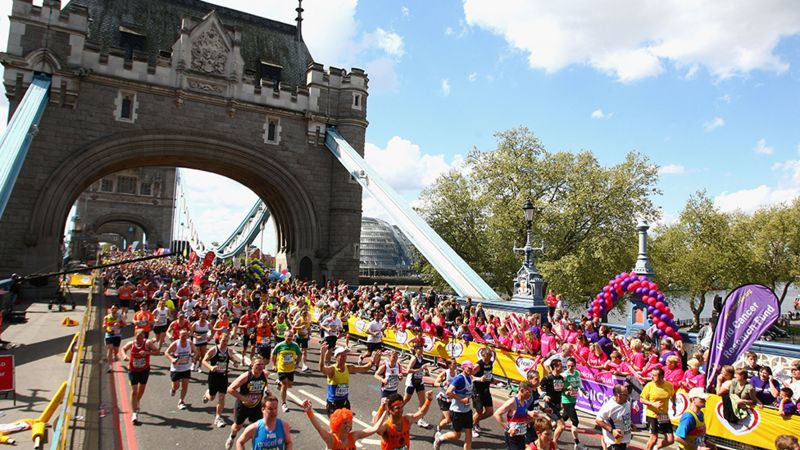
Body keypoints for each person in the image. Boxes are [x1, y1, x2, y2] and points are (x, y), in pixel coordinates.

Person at [319, 343, 381, 416]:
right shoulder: (332, 369)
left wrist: (373, 362)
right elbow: (322, 369)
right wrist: (322, 354)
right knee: (336, 426)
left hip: (344, 402)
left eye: (345, 355)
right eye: (342, 355)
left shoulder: (348, 367)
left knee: (347, 426)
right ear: (337, 357)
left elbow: (364, 369)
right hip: (333, 403)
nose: (344, 357)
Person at [301, 399, 384, 450]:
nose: (348, 425)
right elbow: (319, 428)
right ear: (337, 424)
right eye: (344, 423)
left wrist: (385, 410)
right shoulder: (332, 440)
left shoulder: (353, 436)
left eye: (349, 422)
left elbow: (375, 428)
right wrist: (309, 412)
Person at [226, 356, 270, 449]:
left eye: (262, 364)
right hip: (243, 406)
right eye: (258, 364)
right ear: (252, 365)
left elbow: (264, 384)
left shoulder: (265, 374)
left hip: (257, 405)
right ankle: (232, 437)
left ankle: (255, 446)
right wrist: (244, 399)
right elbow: (230, 389)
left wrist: (266, 391)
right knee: (237, 427)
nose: (261, 366)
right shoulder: (246, 376)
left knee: (257, 427)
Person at [120, 329, 161, 423]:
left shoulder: (148, 343)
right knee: (134, 391)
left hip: (144, 370)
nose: (139, 340)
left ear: (144, 337)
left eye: (141, 338)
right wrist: (124, 356)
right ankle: (134, 413)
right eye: (138, 338)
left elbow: (157, 352)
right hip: (133, 370)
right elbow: (123, 349)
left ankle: (137, 401)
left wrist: (147, 353)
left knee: (141, 390)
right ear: (135, 336)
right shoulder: (132, 343)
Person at [434, 360, 476, 450]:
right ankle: (440, 439)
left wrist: (472, 396)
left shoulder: (470, 378)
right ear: (463, 368)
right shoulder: (459, 378)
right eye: (469, 368)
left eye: (471, 368)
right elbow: (449, 391)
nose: (470, 370)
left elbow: (468, 392)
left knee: (469, 434)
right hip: (457, 411)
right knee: (457, 435)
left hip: (467, 411)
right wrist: (461, 400)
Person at [202, 331, 240, 428]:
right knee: (212, 397)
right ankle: (207, 394)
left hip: (223, 376)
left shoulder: (229, 350)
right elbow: (204, 360)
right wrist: (210, 367)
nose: (225, 342)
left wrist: (235, 362)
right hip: (214, 376)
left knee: (222, 397)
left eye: (227, 341)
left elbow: (231, 359)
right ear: (219, 340)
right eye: (223, 340)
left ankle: (218, 417)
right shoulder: (213, 350)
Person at [492, 380, 540, 450]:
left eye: (531, 392)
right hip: (512, 436)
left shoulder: (525, 401)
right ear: (522, 390)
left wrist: (533, 418)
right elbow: (497, 414)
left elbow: (521, 418)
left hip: (521, 435)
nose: (530, 394)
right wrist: (508, 428)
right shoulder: (513, 402)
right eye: (529, 392)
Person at [640, 367, 676, 450]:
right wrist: (652, 403)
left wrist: (674, 404)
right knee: (654, 438)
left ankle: (656, 448)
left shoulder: (668, 385)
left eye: (654, 375)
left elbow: (673, 394)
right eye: (652, 375)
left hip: (663, 414)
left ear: (661, 376)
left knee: (670, 440)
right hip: (652, 414)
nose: (652, 377)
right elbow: (641, 399)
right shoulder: (649, 385)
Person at [165, 329, 196, 410]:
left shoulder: (190, 343)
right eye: (183, 336)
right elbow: (166, 352)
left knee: (185, 385)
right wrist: (172, 359)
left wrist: (193, 357)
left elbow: (196, 352)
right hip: (176, 369)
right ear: (179, 336)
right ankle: (173, 389)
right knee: (176, 386)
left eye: (186, 335)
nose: (184, 337)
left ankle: (181, 401)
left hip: (186, 367)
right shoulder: (176, 344)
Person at [271, 330, 302, 412]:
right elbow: (273, 354)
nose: (289, 338)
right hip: (281, 369)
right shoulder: (280, 345)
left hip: (291, 369)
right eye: (288, 336)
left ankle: (279, 384)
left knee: (290, 385)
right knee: (285, 385)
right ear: (284, 337)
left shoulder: (295, 346)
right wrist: (274, 365)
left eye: (291, 336)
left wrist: (297, 363)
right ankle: (283, 404)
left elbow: (299, 355)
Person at [595, 385, 632, 450]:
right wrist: (612, 431)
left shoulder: (627, 403)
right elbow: (598, 420)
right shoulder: (609, 406)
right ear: (618, 395)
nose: (628, 396)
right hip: (614, 442)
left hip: (624, 440)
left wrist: (631, 424)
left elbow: (624, 417)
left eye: (628, 394)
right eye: (625, 395)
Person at [403, 345, 431, 428]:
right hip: (411, 382)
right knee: (406, 399)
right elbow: (408, 370)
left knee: (422, 402)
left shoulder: (421, 358)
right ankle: (394, 411)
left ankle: (420, 419)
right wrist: (420, 369)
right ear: (416, 350)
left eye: (422, 349)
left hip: (419, 381)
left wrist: (426, 371)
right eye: (420, 349)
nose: (422, 350)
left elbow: (423, 370)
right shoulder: (414, 358)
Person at [373, 349, 404, 423]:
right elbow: (376, 374)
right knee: (384, 407)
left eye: (396, 357)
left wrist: (400, 377)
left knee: (392, 407)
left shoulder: (398, 366)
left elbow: (400, 378)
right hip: (386, 390)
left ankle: (391, 423)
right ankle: (376, 419)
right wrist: (382, 380)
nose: (395, 359)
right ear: (389, 357)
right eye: (394, 357)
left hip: (394, 390)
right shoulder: (385, 366)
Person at [540, 359, 566, 444]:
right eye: (560, 365)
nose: (562, 367)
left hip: (558, 404)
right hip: (550, 405)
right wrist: (544, 396)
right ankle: (553, 443)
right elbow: (539, 388)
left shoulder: (561, 378)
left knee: (550, 426)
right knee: (561, 426)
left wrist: (566, 391)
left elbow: (561, 389)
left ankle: (540, 435)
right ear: (555, 367)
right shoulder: (547, 378)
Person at [561, 357, 584, 449]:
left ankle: (549, 427)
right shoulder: (564, 375)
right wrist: (564, 391)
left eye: (572, 366)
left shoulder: (577, 373)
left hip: (573, 398)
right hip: (566, 400)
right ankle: (577, 443)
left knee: (563, 418)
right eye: (568, 366)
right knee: (575, 421)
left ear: (575, 366)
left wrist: (583, 390)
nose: (570, 368)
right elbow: (558, 386)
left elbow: (579, 383)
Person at [471, 347, 495, 436]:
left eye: (491, 355)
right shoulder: (478, 365)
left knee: (490, 411)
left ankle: (474, 421)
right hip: (477, 390)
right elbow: (469, 376)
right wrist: (478, 378)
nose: (490, 357)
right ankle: (472, 427)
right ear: (483, 355)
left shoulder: (491, 363)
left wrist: (493, 380)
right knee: (479, 411)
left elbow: (488, 375)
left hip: (486, 389)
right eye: (489, 355)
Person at [434, 358, 458, 432]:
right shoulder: (445, 373)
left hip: (451, 399)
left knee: (444, 417)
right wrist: (441, 384)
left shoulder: (457, 373)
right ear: (449, 365)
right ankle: (438, 429)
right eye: (454, 363)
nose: (456, 364)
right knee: (448, 419)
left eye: (456, 363)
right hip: (443, 399)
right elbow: (435, 383)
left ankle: (438, 431)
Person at [103, 305, 125, 372]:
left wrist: (119, 325)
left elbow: (124, 324)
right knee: (110, 349)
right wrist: (105, 327)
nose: (114, 309)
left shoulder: (120, 317)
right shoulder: (107, 317)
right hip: (109, 335)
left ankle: (115, 355)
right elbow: (104, 324)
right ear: (111, 309)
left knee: (116, 350)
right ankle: (110, 367)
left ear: (117, 309)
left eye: (115, 308)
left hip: (117, 335)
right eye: (112, 308)